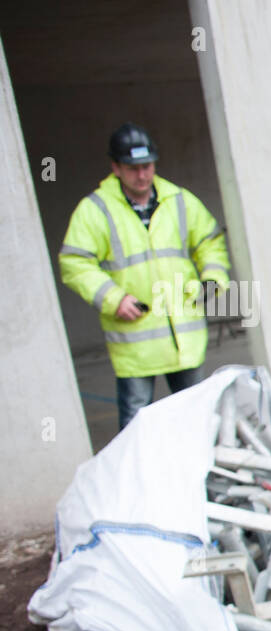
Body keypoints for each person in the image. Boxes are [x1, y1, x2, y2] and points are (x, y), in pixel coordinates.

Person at [59, 123, 230, 431]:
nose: (142, 175)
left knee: (197, 420)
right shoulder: (96, 209)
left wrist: (213, 279)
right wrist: (114, 299)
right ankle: (141, 480)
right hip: (135, 345)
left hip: (185, 340)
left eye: (147, 166)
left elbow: (210, 241)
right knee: (136, 429)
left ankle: (197, 476)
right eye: (133, 168)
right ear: (115, 167)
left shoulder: (178, 200)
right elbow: (74, 261)